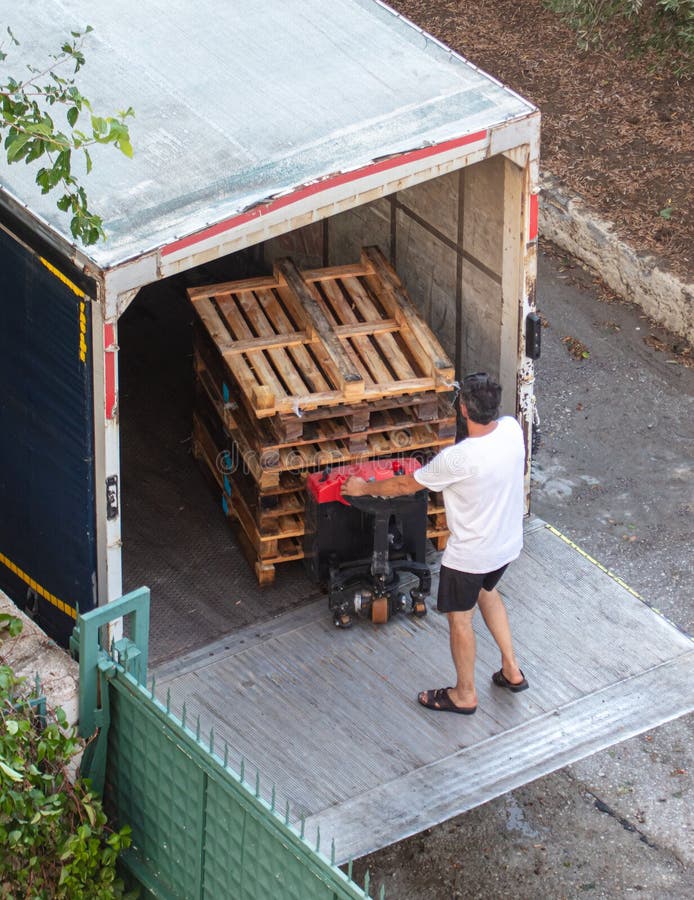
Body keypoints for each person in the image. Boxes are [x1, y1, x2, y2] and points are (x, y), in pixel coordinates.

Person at [341, 372, 528, 715]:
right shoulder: (512, 430)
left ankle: (464, 694)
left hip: (470, 556)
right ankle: (511, 670)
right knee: (488, 593)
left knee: (460, 619)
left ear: (463, 411)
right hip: (505, 544)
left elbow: (404, 486)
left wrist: (361, 488)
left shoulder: (459, 458)